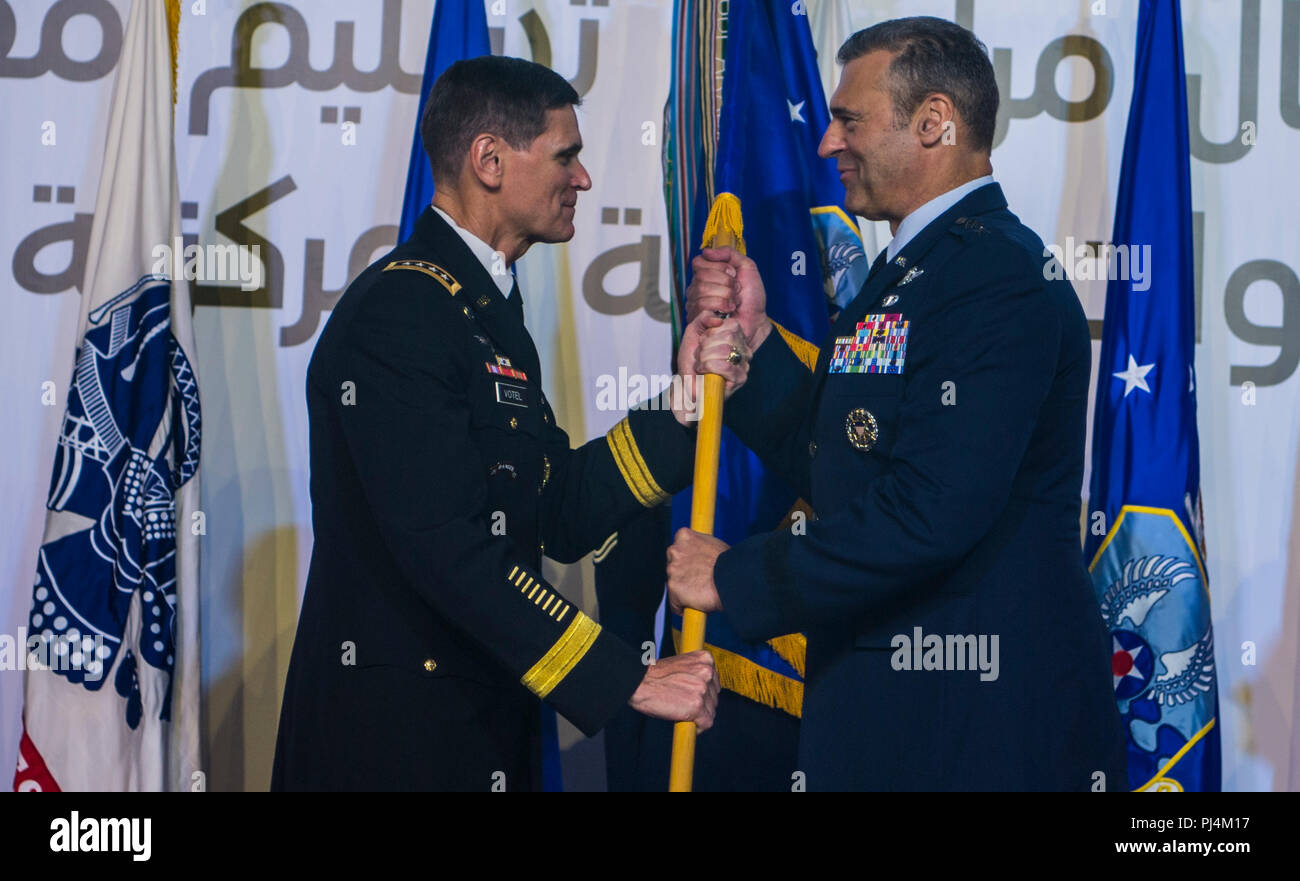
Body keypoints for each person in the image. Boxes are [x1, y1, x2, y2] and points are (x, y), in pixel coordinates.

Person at [667, 17, 1129, 791]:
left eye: (849, 120)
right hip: (905, 710)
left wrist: (742, 577)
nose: (826, 143)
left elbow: (931, 510)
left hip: (971, 725)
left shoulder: (993, 275)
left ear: (935, 121)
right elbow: (852, 453)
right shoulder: (917, 266)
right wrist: (752, 354)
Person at [272, 56, 750, 791]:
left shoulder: (484, 310)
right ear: (489, 160)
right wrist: (625, 678)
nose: (583, 179)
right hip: (397, 744)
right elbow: (445, 545)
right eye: (566, 156)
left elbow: (552, 507)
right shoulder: (403, 310)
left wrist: (685, 404)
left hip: (480, 726)